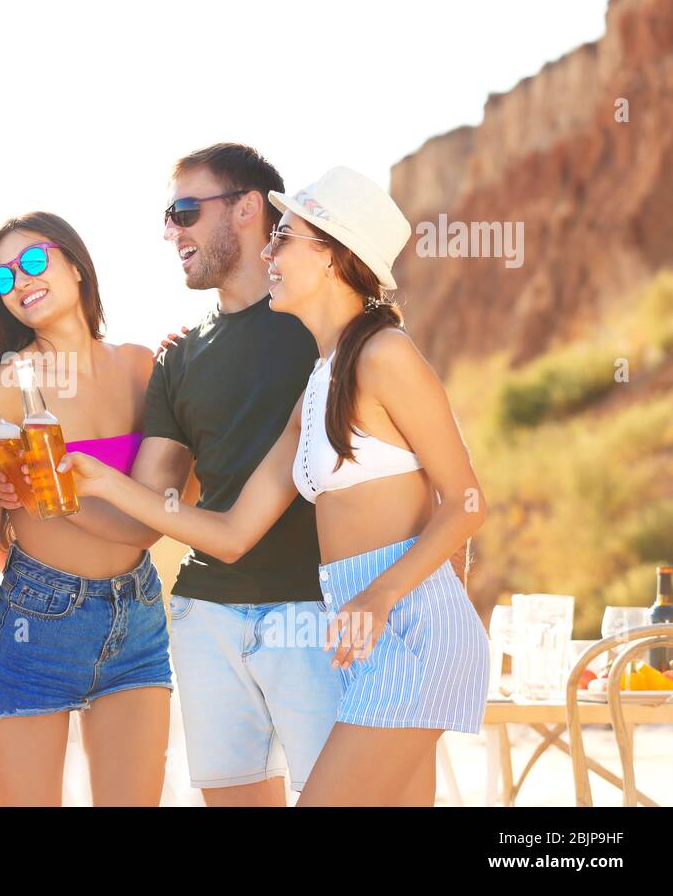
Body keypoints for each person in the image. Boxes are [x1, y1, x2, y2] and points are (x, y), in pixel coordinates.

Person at [62, 167, 490, 806]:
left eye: (283, 239)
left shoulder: (385, 355)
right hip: (362, 632)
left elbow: (467, 502)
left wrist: (376, 601)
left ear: (333, 257)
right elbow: (231, 533)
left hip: (404, 626)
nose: (267, 253)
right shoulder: (321, 379)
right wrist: (101, 482)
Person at [53, 144, 342, 805]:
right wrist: (50, 495)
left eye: (184, 212)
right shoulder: (179, 356)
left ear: (247, 209)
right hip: (205, 615)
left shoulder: (326, 323)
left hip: (318, 614)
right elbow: (144, 508)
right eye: (169, 216)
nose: (171, 232)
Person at [0, 212, 172, 806]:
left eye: (35, 261)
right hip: (34, 623)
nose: (20, 281)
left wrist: (51, 493)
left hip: (138, 616)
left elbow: (154, 521)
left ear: (74, 263)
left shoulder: (141, 367)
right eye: (2, 279)